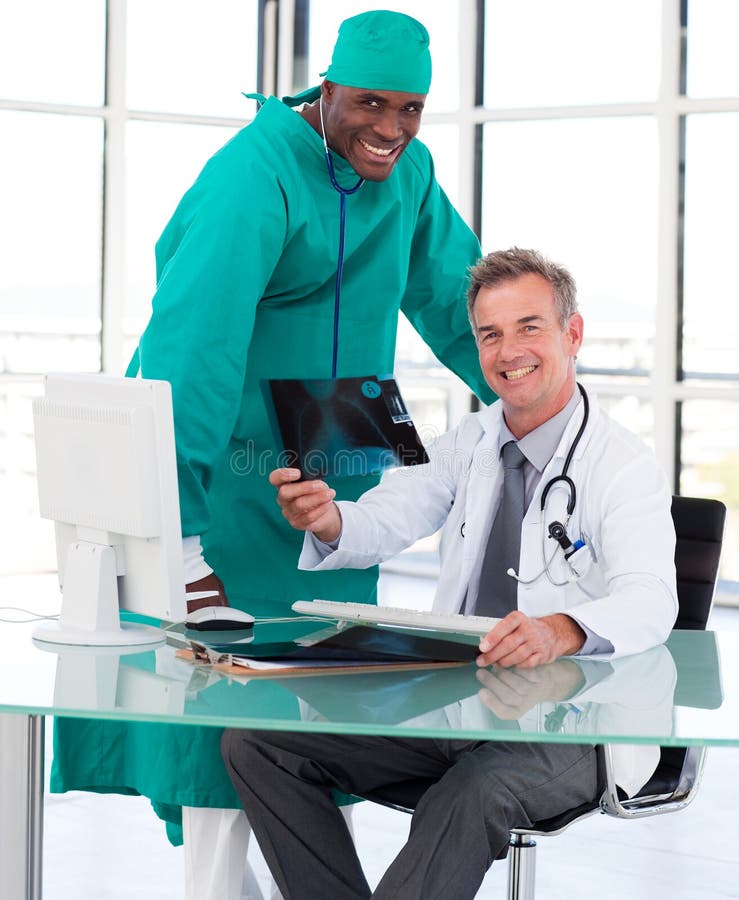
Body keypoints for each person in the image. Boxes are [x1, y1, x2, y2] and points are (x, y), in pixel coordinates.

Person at [50, 9, 495, 899]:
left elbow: (452, 292)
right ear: (323, 91)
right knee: (217, 717)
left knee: (322, 710)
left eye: (410, 109)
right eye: (370, 103)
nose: (390, 129)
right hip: (223, 466)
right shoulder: (251, 177)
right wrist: (177, 530)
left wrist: (521, 393)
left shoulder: (409, 171)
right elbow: (193, 350)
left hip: (340, 457)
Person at [221, 247, 678, 899]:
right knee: (259, 742)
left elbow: (651, 599)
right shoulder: (469, 440)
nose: (507, 350)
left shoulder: (623, 463)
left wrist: (561, 629)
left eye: (528, 327)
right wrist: (328, 520)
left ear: (570, 334)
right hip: (454, 710)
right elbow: (388, 513)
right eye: (490, 334)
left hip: (572, 726)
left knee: (476, 790)